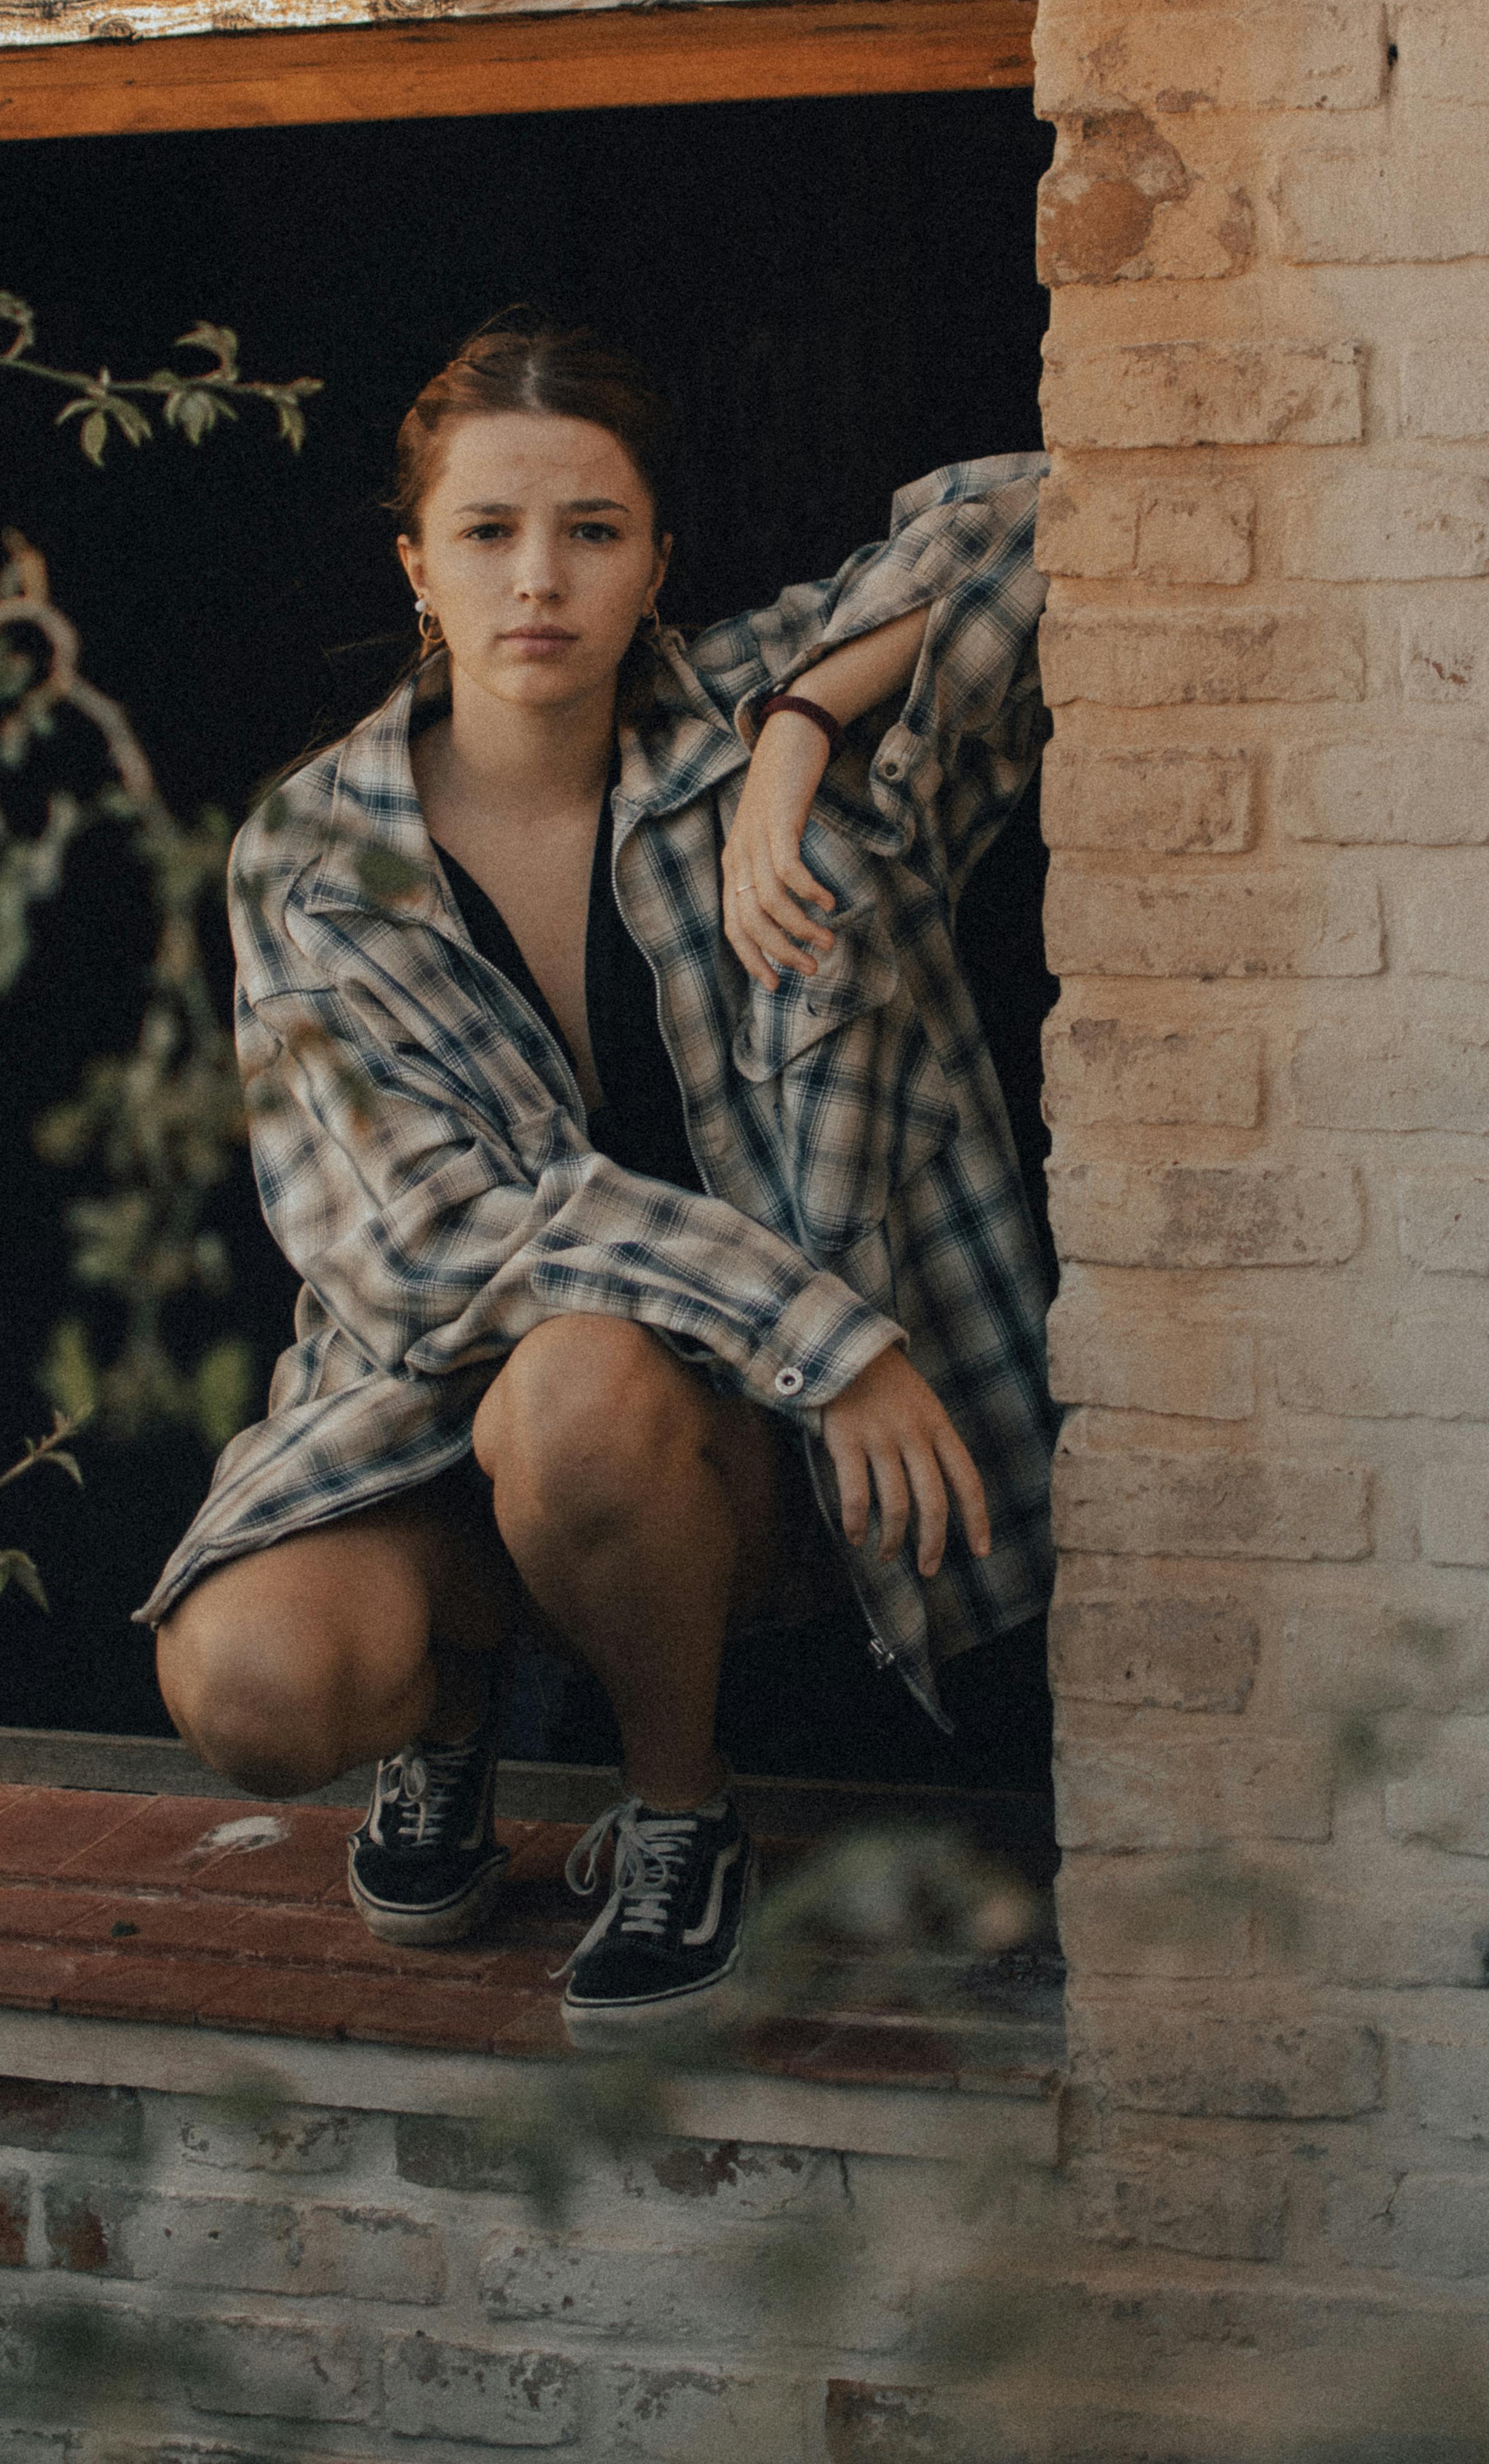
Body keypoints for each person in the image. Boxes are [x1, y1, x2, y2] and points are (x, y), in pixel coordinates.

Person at [140, 323, 1055, 2044]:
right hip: (469, 1424)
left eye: (594, 529)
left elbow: (1067, 509)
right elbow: (419, 1241)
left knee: (580, 1392)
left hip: (750, 1472)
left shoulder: (765, 729)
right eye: (487, 532)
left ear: (657, 562)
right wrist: (819, 1327)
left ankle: (681, 1815)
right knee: (250, 1681)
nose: (538, 580)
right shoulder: (313, 852)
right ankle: (456, 1687)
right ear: (413, 564)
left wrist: (800, 723)